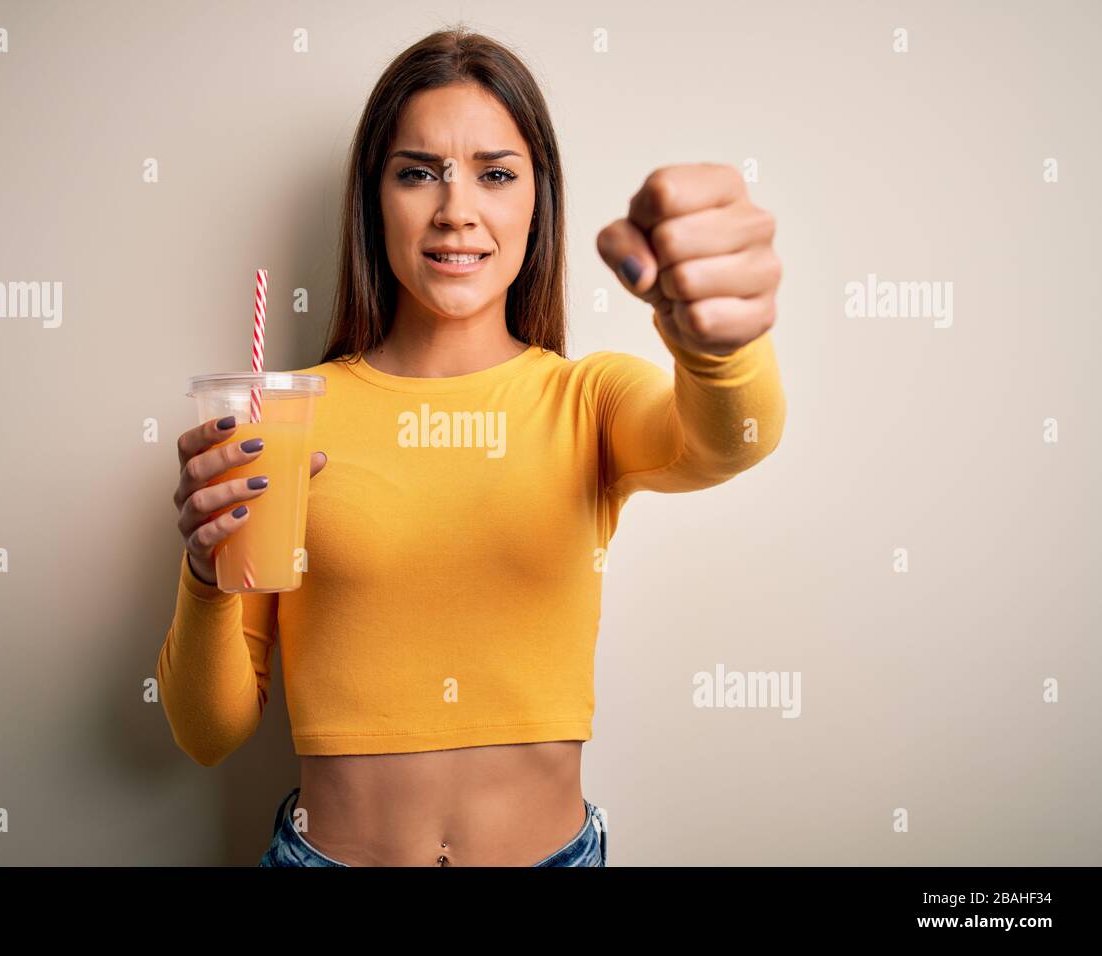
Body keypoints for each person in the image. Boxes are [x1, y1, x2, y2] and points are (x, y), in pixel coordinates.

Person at [157, 26, 786, 867]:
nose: (457, 209)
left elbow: (732, 439)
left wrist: (720, 344)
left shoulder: (587, 399)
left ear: (538, 199)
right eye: (418, 173)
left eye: (496, 173)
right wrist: (205, 573)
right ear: (374, 200)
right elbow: (210, 734)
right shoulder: (286, 421)